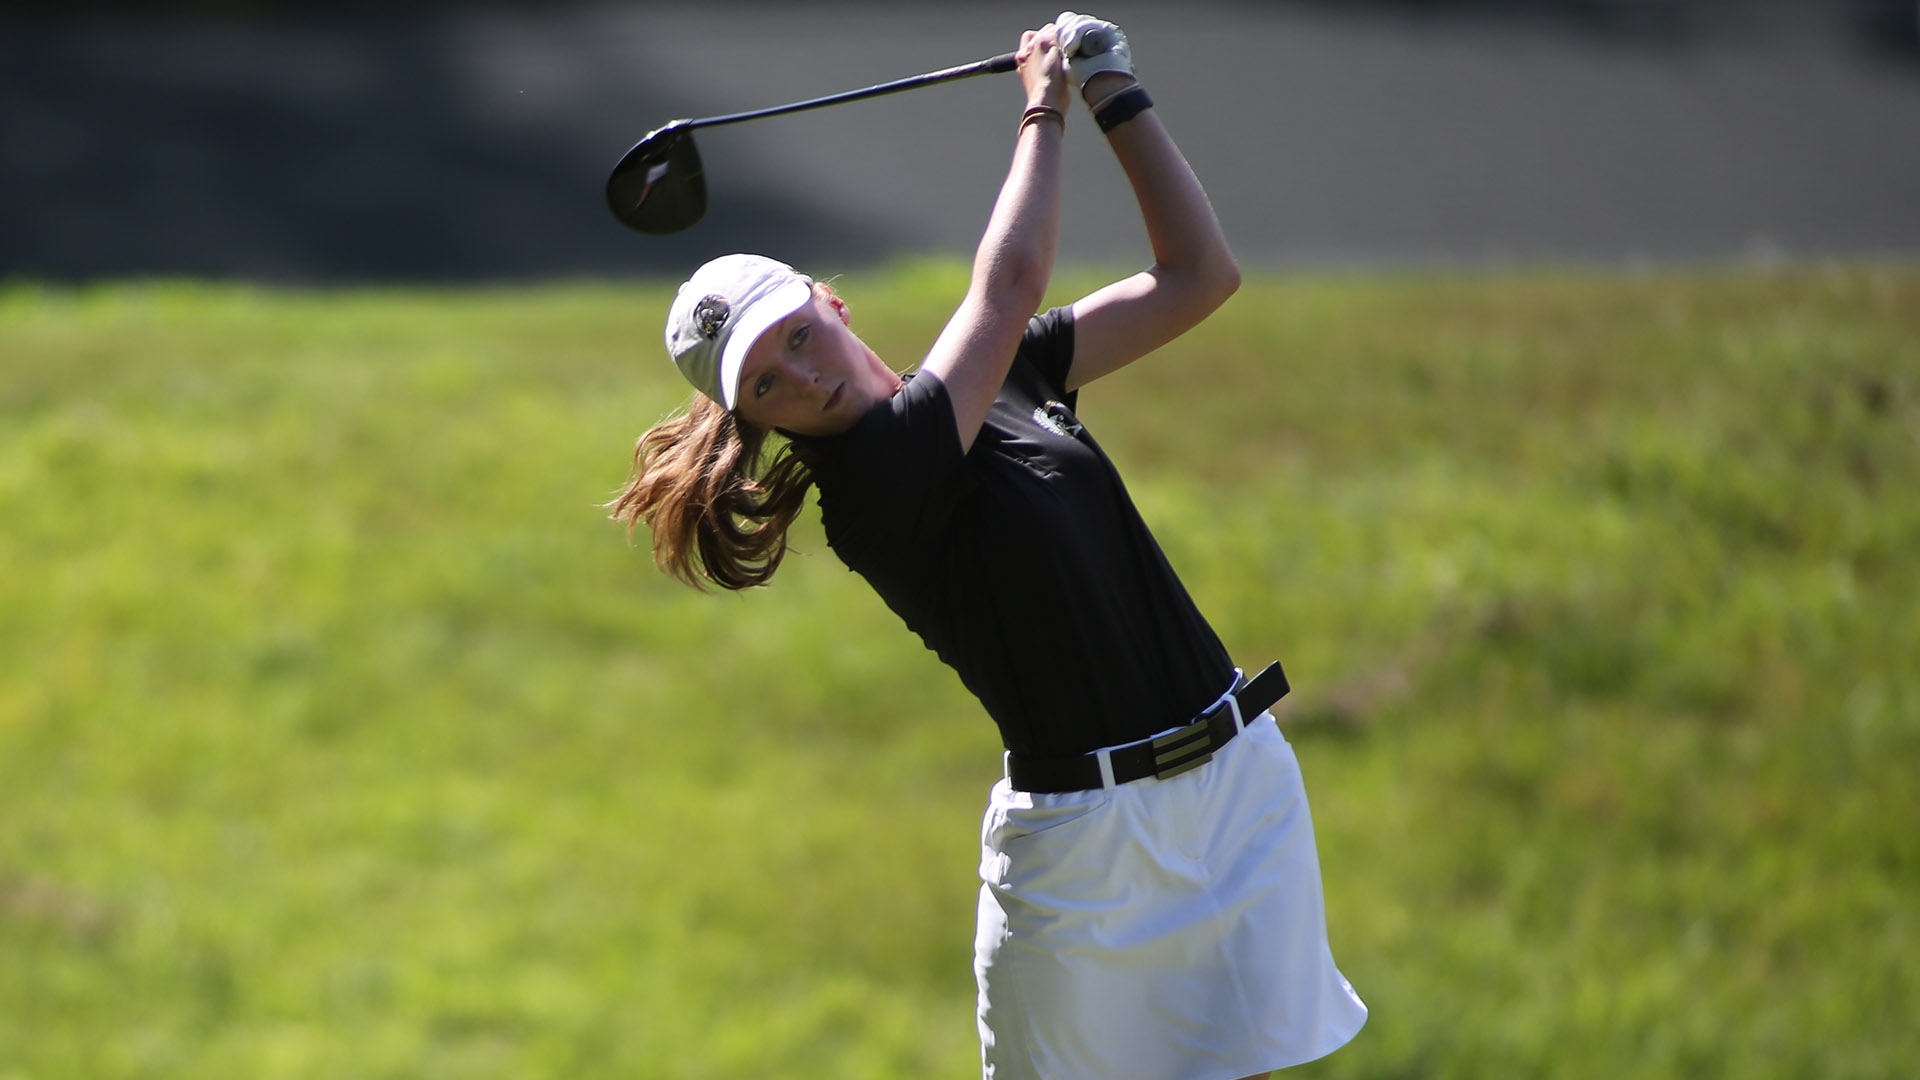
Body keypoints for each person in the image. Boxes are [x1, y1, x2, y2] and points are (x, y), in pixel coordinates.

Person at [610, 13, 1367, 1079]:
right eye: (768, 383)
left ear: (832, 301)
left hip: (1237, 784)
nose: (805, 377)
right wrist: (1041, 105)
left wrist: (1114, 92)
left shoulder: (1009, 376)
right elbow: (1007, 288)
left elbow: (1199, 275)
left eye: (798, 335)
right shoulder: (873, 485)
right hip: (1086, 856)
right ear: (757, 420)